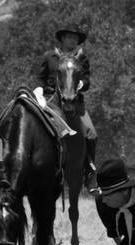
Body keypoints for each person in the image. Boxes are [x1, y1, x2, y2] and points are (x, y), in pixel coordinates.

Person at [36, 24, 98, 182]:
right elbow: (40, 77)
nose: (73, 40)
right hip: (50, 99)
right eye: (70, 37)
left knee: (91, 133)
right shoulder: (50, 56)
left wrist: (81, 85)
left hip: (75, 101)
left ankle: (89, 168)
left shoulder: (82, 58)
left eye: (75, 39)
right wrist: (38, 90)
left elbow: (87, 79)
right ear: (62, 39)